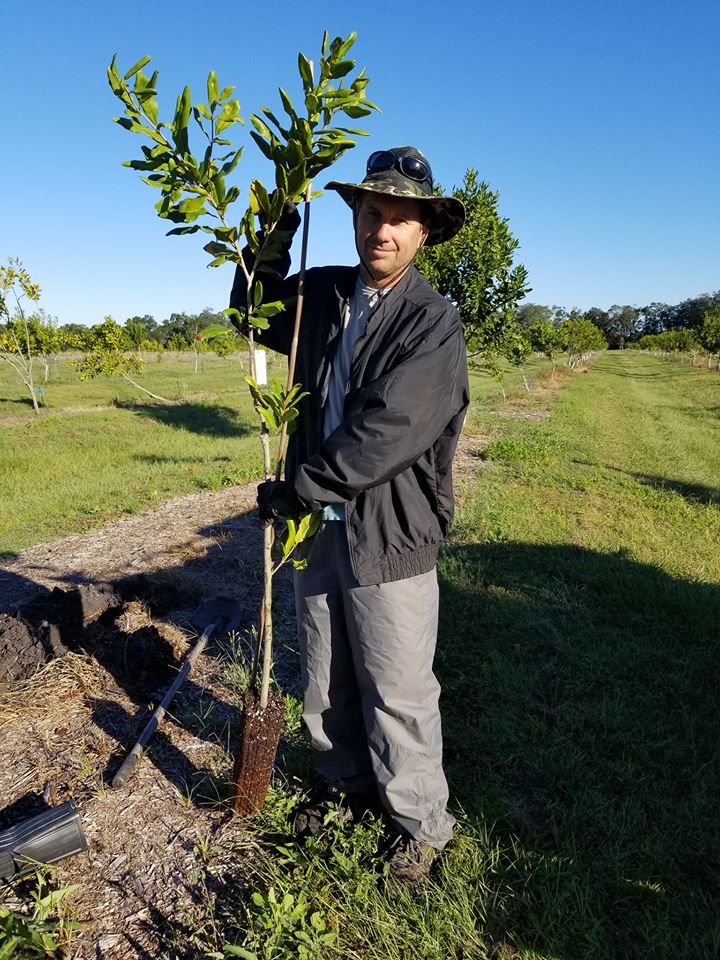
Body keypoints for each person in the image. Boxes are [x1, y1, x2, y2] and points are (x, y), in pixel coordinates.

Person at [230, 146, 469, 884]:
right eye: (372, 212)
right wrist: (270, 237)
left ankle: (421, 827)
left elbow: (387, 433)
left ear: (424, 231)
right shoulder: (325, 294)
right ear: (355, 218)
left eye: (401, 217)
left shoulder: (433, 325)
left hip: (389, 533)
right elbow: (250, 311)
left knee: (396, 690)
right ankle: (346, 788)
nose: (383, 229)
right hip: (315, 532)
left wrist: (299, 487)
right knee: (326, 676)